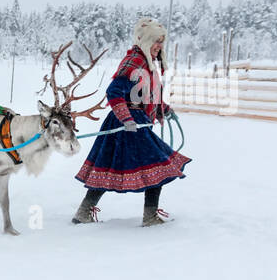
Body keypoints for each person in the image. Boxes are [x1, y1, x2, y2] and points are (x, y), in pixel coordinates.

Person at [72, 17, 191, 227]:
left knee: (109, 165)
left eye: (162, 41)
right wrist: (126, 119)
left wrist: (164, 110)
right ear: (145, 41)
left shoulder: (147, 62)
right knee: (160, 165)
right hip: (126, 124)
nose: (159, 46)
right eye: (155, 40)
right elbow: (114, 92)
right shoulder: (134, 61)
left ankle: (84, 212)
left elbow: (145, 94)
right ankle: (150, 216)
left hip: (136, 122)